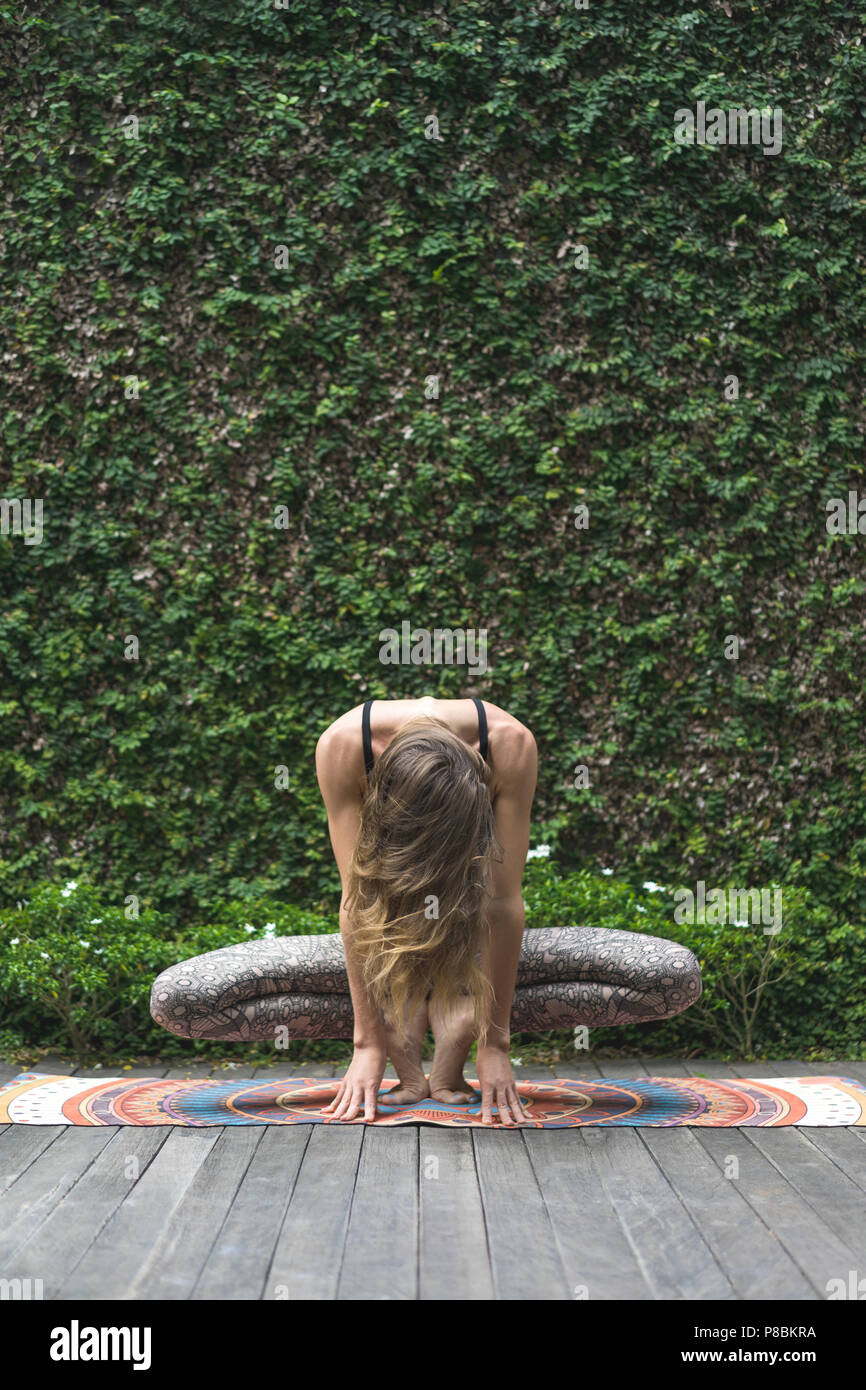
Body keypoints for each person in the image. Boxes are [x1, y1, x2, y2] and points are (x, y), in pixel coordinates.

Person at [150, 695, 702, 1127]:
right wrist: (370, 1039)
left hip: (479, 948)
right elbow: (356, 900)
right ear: (377, 786)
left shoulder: (510, 745)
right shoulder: (343, 747)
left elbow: (503, 904)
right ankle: (406, 1019)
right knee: (183, 1001)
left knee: (670, 979)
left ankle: (452, 1016)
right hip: (382, 949)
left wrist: (492, 1039)